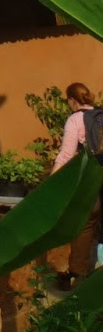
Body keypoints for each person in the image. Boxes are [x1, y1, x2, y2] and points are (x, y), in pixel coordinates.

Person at [52, 81, 99, 283]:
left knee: (84, 224)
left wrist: (52, 180)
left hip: (92, 181)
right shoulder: (100, 115)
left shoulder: (75, 120)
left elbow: (66, 155)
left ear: (72, 100)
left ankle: (77, 273)